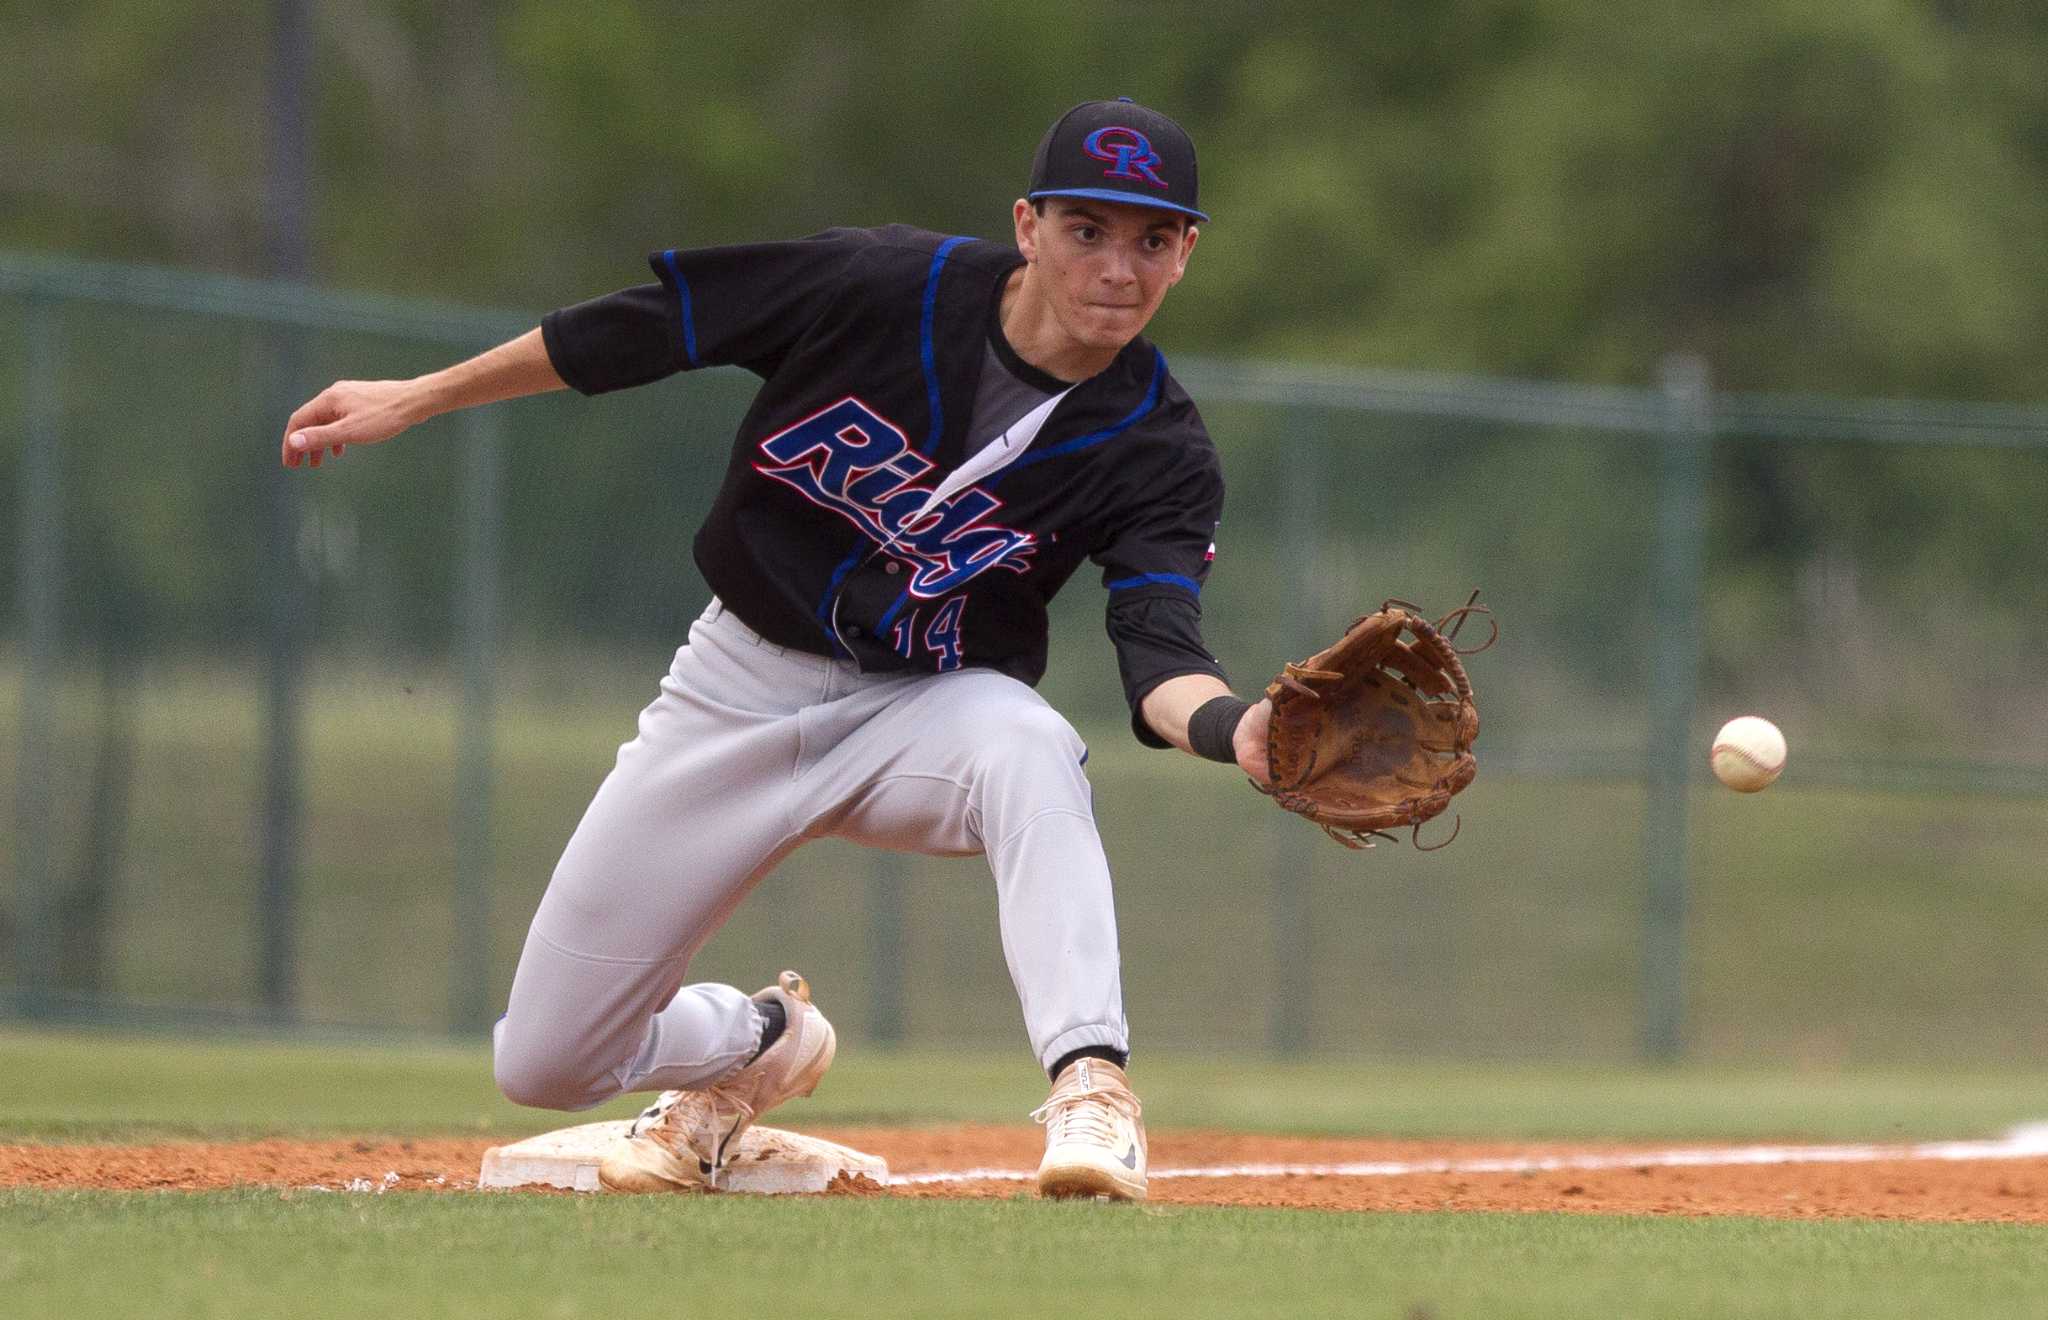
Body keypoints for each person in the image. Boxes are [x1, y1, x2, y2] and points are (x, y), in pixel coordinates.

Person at [280, 98, 1272, 1203]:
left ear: (1185, 252)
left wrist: (1243, 731)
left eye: (1151, 238)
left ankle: (1091, 1085)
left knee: (1029, 749)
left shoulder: (1159, 446)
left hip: (924, 713)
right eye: (1087, 229)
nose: (1117, 267)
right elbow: (648, 326)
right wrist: (418, 396)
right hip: (735, 686)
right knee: (543, 1063)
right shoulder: (885, 287)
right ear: (1027, 227)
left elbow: (1156, 650)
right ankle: (758, 1040)